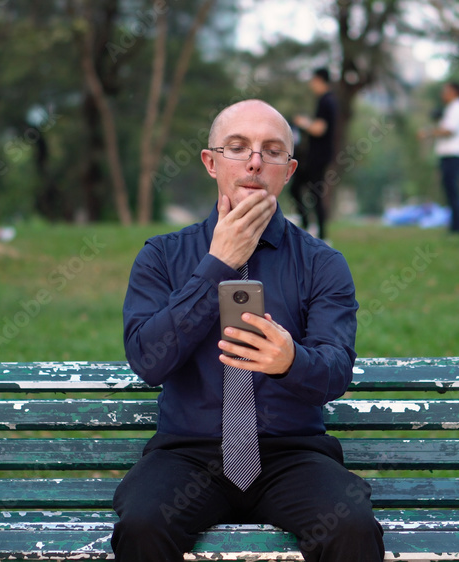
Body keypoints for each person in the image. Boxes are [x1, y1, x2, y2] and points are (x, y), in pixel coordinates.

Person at [116, 99, 384, 562]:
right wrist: (216, 264)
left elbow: (336, 371)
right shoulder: (161, 256)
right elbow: (147, 360)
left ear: (288, 169)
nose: (255, 161)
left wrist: (291, 361)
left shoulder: (322, 263)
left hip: (290, 455)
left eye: (272, 150)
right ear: (211, 162)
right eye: (238, 147)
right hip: (189, 456)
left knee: (352, 526)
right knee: (142, 524)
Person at [418, 81, 459, 234]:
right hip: (449, 155)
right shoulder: (452, 109)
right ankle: (455, 225)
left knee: (453, 191)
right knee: (450, 192)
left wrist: (428, 132)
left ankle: (458, 227)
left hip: (454, 155)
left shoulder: (458, 108)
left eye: (446, 91)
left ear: (454, 92)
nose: (443, 94)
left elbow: (449, 131)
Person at [291, 67, 338, 240]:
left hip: (319, 156)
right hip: (317, 155)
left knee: (312, 192)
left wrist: (302, 122)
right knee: (303, 189)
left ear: (319, 80)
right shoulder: (326, 100)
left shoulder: (327, 101)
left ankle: (319, 232)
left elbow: (320, 128)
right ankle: (310, 227)